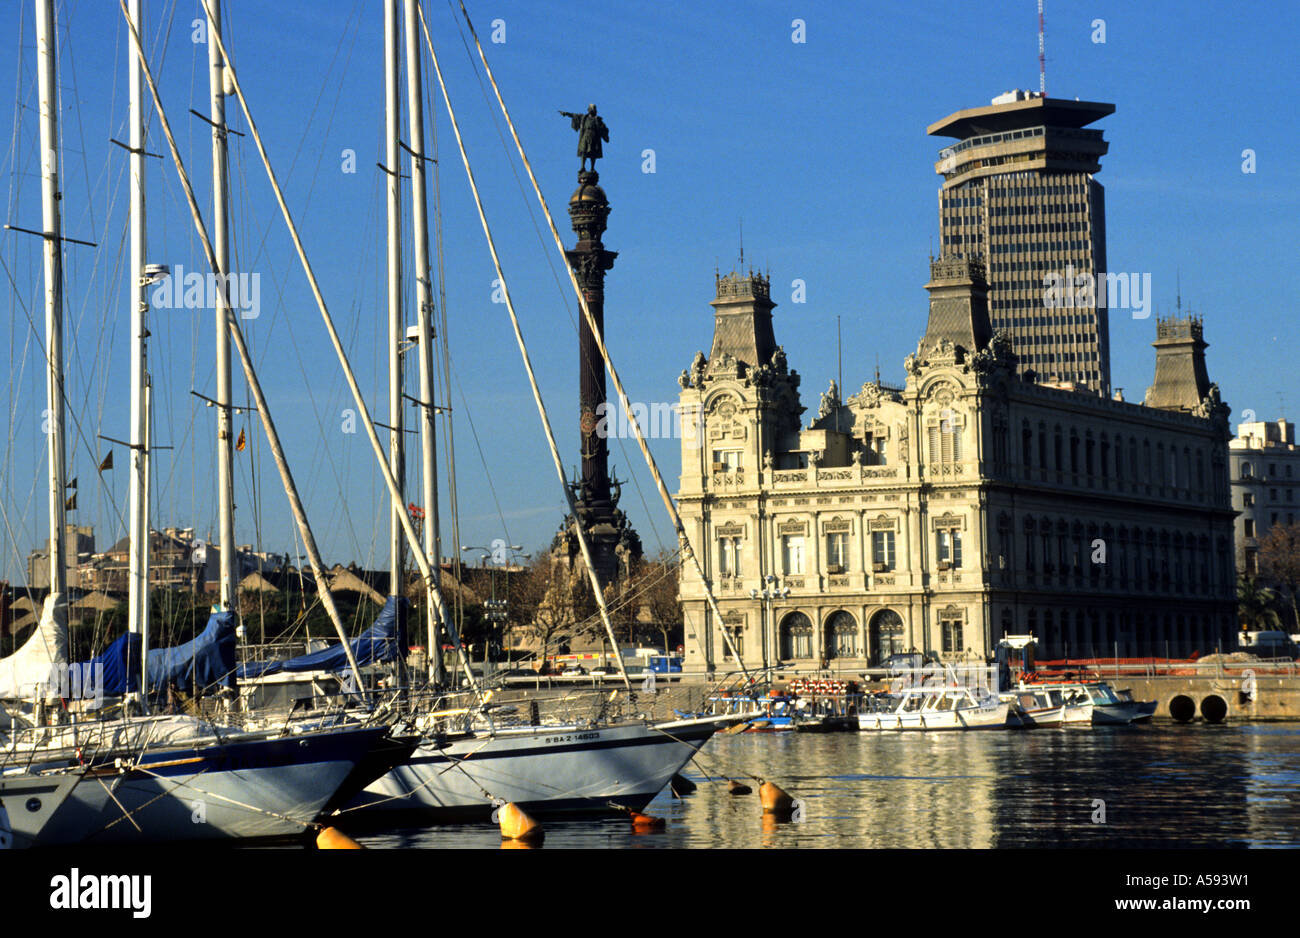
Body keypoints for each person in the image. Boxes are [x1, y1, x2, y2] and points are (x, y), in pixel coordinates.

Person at [560, 104, 609, 172]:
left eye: (593, 109)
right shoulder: (584, 117)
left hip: (594, 136)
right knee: (583, 151)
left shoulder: (597, 120)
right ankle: (582, 167)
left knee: (593, 152)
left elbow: (604, 128)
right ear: (588, 110)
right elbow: (574, 115)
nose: (592, 110)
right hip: (586, 135)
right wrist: (566, 114)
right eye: (591, 109)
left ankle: (592, 168)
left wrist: (603, 132)